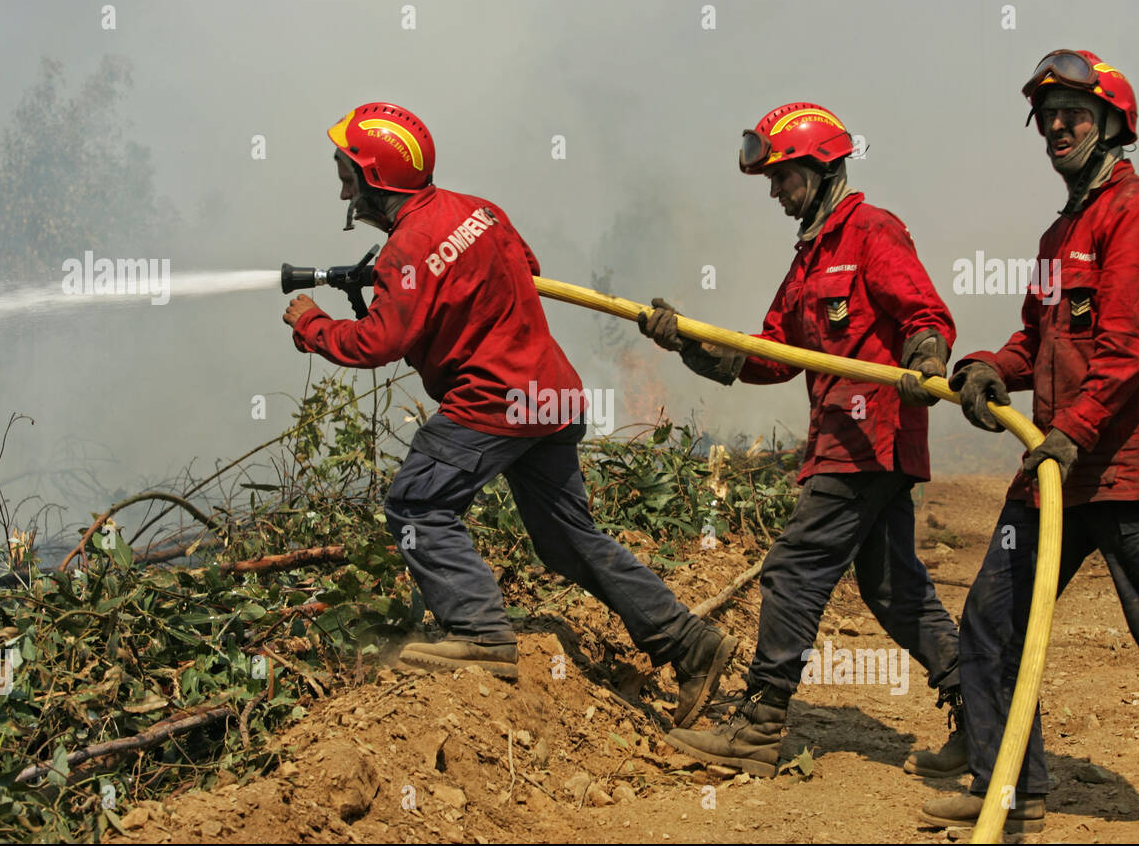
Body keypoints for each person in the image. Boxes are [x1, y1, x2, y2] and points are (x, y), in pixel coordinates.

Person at [282, 102, 737, 727]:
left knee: (417, 504)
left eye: (346, 174)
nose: (341, 188)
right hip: (548, 394)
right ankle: (690, 645)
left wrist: (312, 324)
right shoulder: (480, 210)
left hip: (492, 402)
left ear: (375, 177)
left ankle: (478, 631)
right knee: (569, 540)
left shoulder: (404, 252)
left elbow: (377, 343)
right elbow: (526, 269)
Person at [920, 51, 1139, 841]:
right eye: (1048, 116)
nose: (1058, 126)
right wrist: (988, 368)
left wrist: (1069, 434)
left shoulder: (1136, 215)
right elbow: (1037, 339)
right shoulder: (1060, 233)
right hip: (1056, 469)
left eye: (1076, 113)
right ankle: (1008, 788)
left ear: (1113, 125)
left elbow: (1128, 352)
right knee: (990, 623)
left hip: (1120, 465)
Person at [640, 102, 964, 776]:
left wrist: (926, 360)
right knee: (894, 590)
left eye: (784, 177)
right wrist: (690, 343)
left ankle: (760, 726)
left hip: (870, 441)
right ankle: (983, 715)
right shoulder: (810, 258)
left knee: (791, 570)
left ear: (820, 168)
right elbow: (769, 354)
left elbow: (924, 313)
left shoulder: (873, 231)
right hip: (845, 444)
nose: (775, 192)